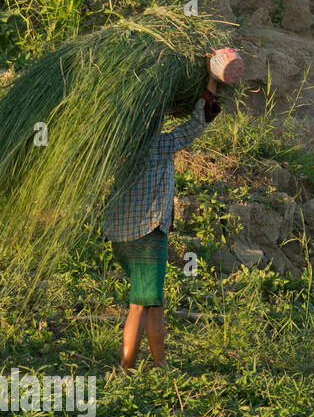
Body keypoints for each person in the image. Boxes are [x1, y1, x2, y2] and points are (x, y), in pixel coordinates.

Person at [102, 51, 238, 371]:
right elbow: (196, 124)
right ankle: (126, 369)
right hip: (148, 236)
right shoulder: (158, 146)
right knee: (139, 304)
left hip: (120, 236)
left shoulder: (118, 147)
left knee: (154, 303)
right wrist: (211, 82)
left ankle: (160, 363)